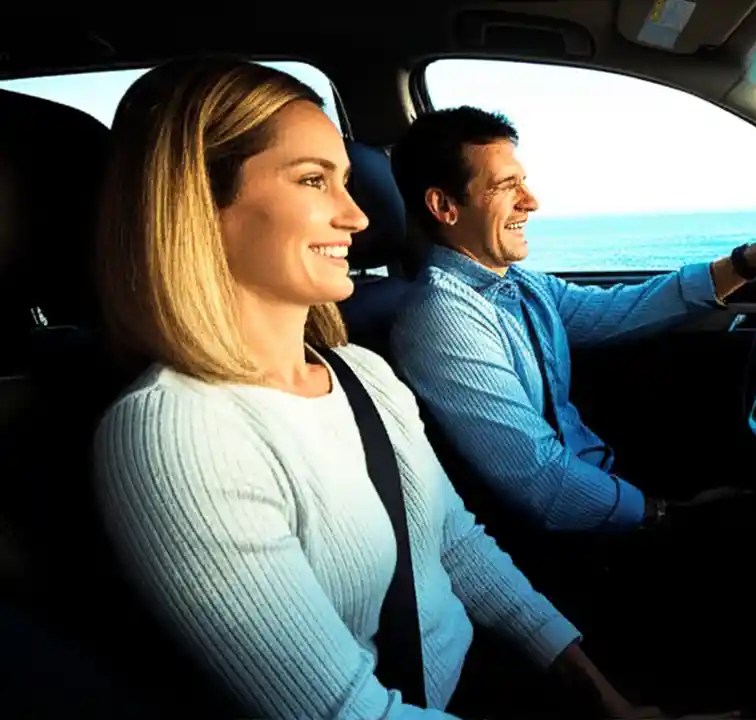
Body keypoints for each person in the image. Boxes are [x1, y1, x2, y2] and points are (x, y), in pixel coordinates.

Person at [90, 58, 662, 720]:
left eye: (346, 181)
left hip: (482, 676)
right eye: (312, 180)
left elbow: (456, 544)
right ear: (196, 204)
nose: (357, 216)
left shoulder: (361, 372)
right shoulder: (178, 433)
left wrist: (601, 693)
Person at [387, 106, 756, 535]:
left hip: (600, 477)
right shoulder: (442, 318)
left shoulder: (522, 287)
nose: (532, 201)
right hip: (563, 538)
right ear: (445, 207)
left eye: (524, 182)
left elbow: (629, 307)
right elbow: (543, 485)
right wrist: (666, 515)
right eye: (507, 186)